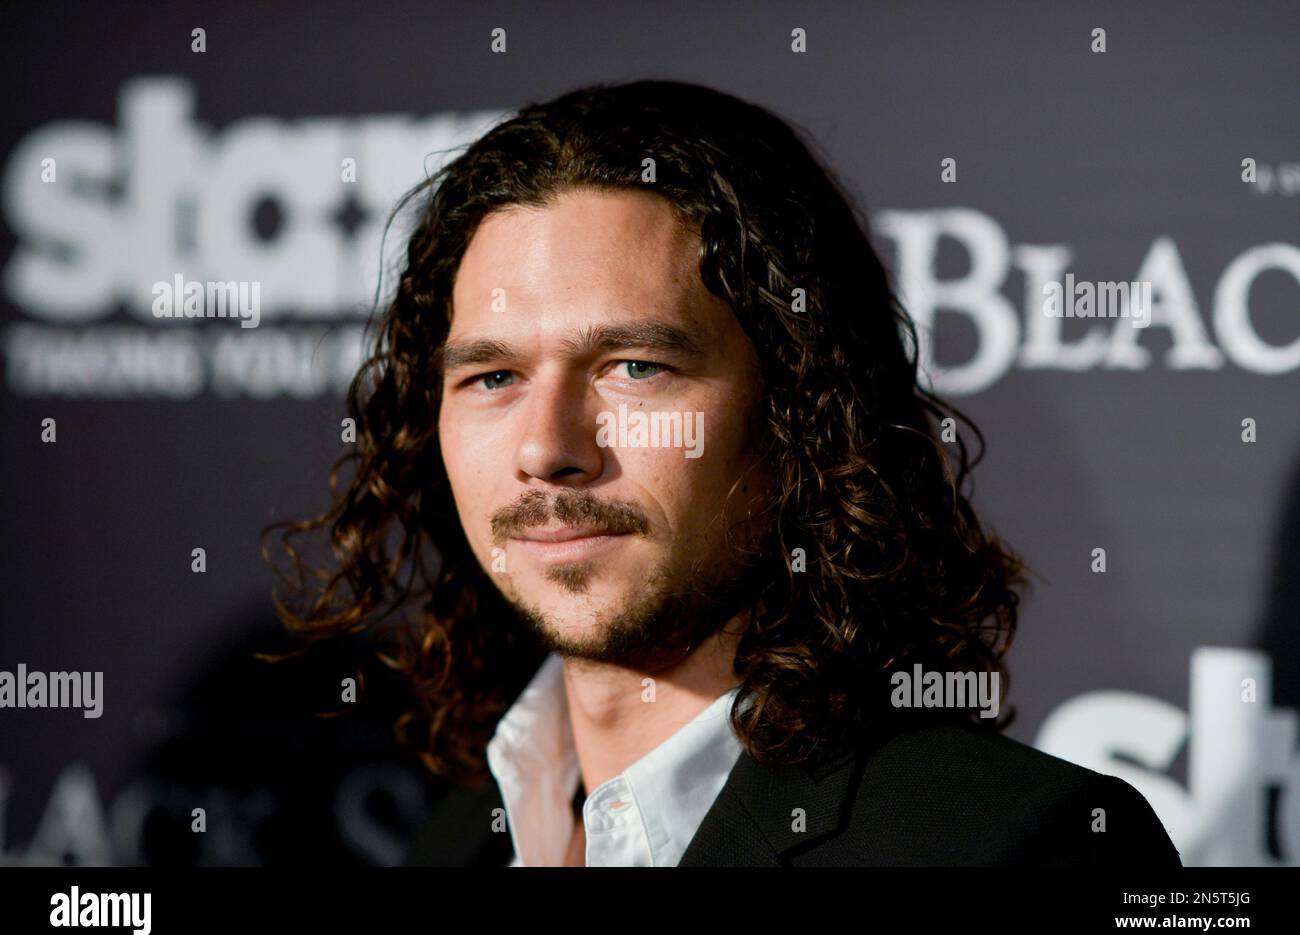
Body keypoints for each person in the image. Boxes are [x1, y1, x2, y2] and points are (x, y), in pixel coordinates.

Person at [262, 79, 1181, 867]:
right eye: (493, 376)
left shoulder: (1016, 848)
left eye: (635, 368)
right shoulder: (462, 836)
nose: (547, 447)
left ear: (800, 410)